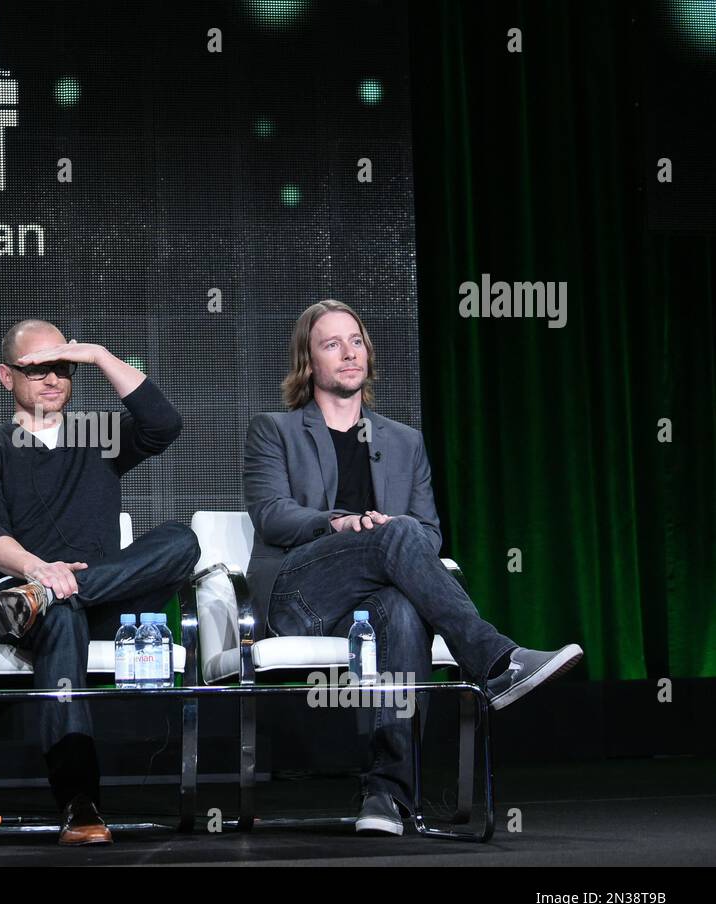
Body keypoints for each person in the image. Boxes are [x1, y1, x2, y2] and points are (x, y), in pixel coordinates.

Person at [243, 299, 583, 835]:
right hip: (303, 595)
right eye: (332, 344)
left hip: (375, 597)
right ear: (308, 361)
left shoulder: (405, 441)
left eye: (356, 340)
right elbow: (272, 515)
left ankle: (385, 795)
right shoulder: (274, 430)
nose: (348, 352)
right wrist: (343, 523)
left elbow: (429, 533)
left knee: (402, 608)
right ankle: (496, 662)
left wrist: (386, 532)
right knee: (394, 533)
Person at [0, 320, 200, 845]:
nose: (52, 379)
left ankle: (56, 594)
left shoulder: (97, 435)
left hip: (96, 597)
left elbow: (164, 424)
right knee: (62, 614)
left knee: (182, 540)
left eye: (63, 368)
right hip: (18, 595)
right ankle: (79, 800)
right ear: (6, 376)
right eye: (37, 367)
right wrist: (37, 572)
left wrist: (101, 356)